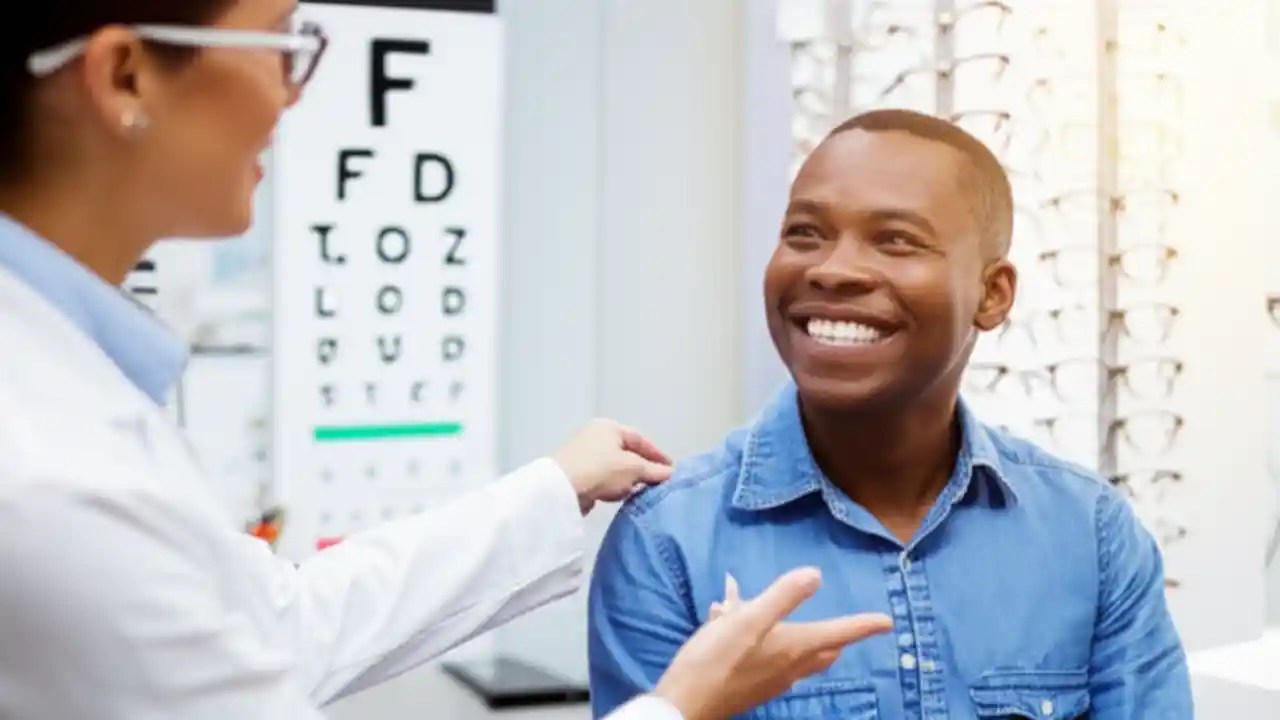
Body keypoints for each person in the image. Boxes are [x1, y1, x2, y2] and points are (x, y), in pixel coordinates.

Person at [0, 1, 891, 718]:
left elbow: (276, 625)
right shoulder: (51, 477)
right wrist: (683, 706)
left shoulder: (67, 399)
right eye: (281, 44)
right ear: (124, 75)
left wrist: (551, 488)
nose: (294, 93)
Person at [588, 109, 1194, 719]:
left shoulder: (1088, 533)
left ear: (993, 294)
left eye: (895, 239)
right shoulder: (668, 541)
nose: (832, 269)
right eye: (805, 232)